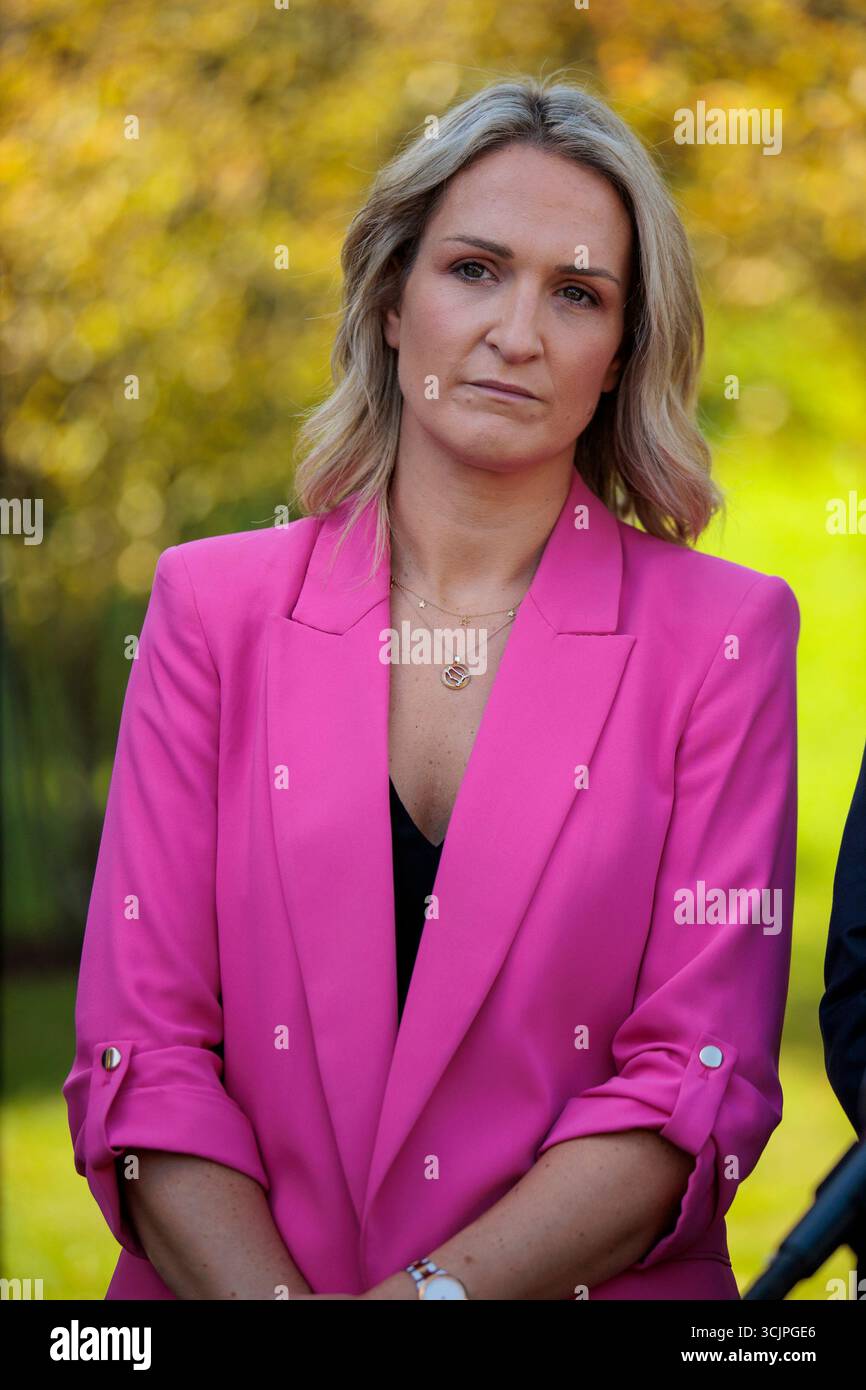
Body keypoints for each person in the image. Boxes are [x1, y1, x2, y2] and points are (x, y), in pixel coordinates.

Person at [62, 74, 800, 1301]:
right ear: (392, 299)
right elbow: (144, 1052)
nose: (516, 332)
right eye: (473, 269)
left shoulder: (724, 636)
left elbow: (693, 1075)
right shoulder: (210, 609)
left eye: (575, 293)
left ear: (620, 353)